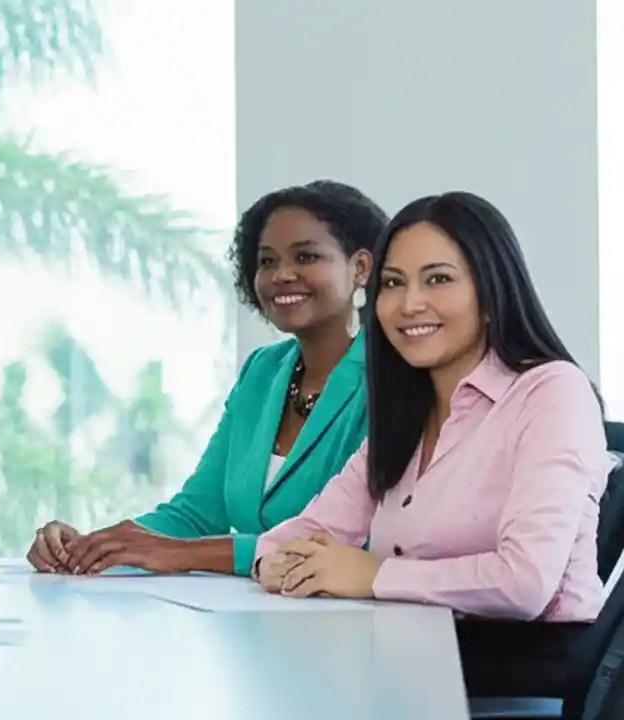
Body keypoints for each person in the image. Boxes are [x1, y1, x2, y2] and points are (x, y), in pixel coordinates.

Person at [254, 191, 610, 698]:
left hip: (523, 682)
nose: (409, 303)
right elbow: (294, 536)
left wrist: (373, 575)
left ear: (491, 293)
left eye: (438, 279)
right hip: (406, 668)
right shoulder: (407, 413)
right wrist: (277, 563)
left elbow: (525, 581)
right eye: (393, 284)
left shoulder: (551, 391)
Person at [27, 180, 388, 577]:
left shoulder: (389, 381)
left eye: (306, 257)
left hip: (347, 627)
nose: (282, 274)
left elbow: (359, 541)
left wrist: (185, 554)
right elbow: (198, 514)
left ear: (360, 267)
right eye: (267, 261)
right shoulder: (263, 373)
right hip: (256, 621)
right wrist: (90, 548)